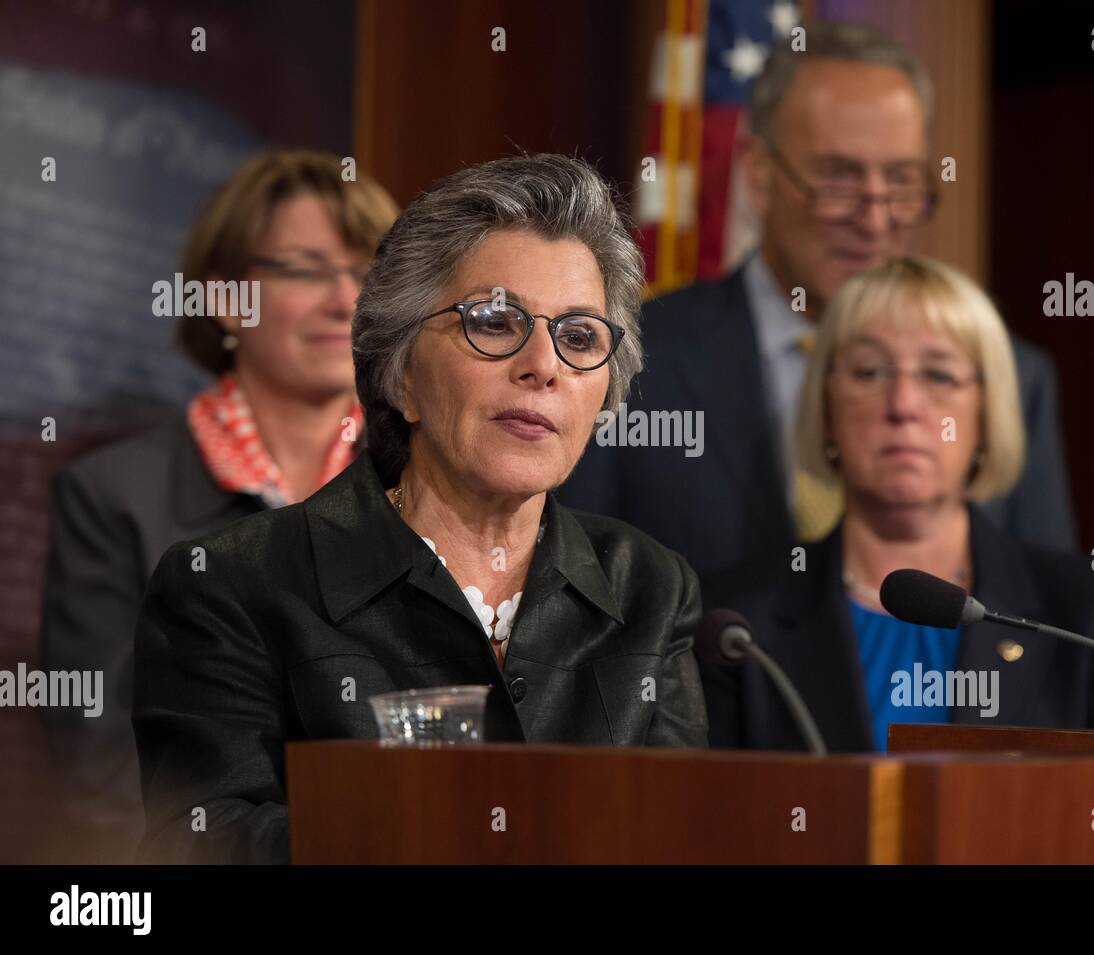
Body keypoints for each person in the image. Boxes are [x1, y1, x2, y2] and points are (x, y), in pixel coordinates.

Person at [131, 154, 710, 864]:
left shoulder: (649, 587)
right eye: (495, 322)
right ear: (401, 371)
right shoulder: (234, 588)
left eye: (580, 335)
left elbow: (683, 840)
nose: (544, 365)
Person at [558, 21, 1076, 579]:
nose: (875, 219)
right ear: (759, 174)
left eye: (901, 181)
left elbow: (1049, 613)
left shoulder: (1010, 377)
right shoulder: (632, 354)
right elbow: (577, 586)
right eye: (839, 179)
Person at [39, 150, 399, 861]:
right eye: (305, 268)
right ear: (229, 298)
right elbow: (99, 778)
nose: (343, 298)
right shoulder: (112, 494)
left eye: (369, 272)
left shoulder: (424, 485)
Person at [700, 257, 1094, 753]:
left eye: (940, 375)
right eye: (870, 370)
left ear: (987, 415)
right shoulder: (730, 620)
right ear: (826, 408)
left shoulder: (1092, 615)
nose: (903, 404)